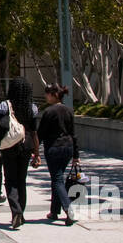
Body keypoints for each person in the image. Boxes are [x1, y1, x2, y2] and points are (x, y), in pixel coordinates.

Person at [0, 77, 39, 229]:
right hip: (26, 146)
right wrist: (37, 153)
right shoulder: (32, 108)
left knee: (10, 180)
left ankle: (16, 211)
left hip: (9, 146)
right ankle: (22, 212)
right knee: (21, 180)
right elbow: (34, 132)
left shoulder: (5, 106)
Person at [39, 84, 79, 225]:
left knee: (57, 179)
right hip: (67, 147)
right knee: (58, 178)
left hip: (54, 148)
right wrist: (76, 155)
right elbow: (74, 134)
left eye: (47, 93)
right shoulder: (68, 111)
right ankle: (54, 211)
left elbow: (40, 133)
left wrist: (35, 151)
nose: (45, 96)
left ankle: (69, 209)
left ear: (54, 94)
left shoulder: (49, 112)